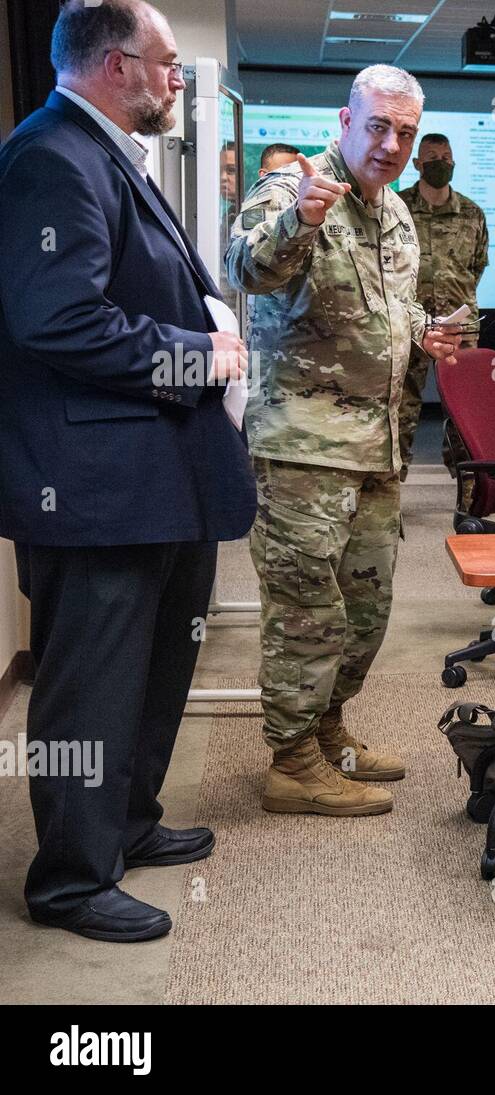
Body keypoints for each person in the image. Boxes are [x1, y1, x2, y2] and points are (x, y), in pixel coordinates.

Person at [0, 0, 256, 942]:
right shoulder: (51, 156)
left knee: (153, 672)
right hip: (95, 485)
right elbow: (55, 320)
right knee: (90, 689)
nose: (177, 79)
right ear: (115, 66)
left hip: (153, 475)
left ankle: (128, 824)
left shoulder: (106, 151)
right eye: (167, 64)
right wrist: (200, 350)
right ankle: (69, 877)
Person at [226, 64, 459, 817]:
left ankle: (328, 732)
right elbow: (244, 267)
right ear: (346, 119)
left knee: (366, 608)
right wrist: (301, 219)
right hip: (304, 450)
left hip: (377, 447)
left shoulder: (392, 212)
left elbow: (386, 311)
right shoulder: (293, 186)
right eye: (379, 127)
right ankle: (292, 762)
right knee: (306, 610)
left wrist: (428, 332)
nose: (392, 144)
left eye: (406, 132)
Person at [398, 133, 489, 348]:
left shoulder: (472, 212)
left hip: (460, 327)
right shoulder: (398, 207)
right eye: (432, 156)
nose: (441, 162)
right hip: (408, 326)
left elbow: (477, 265)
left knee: (462, 382)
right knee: (400, 383)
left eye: (446, 157)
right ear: (417, 164)